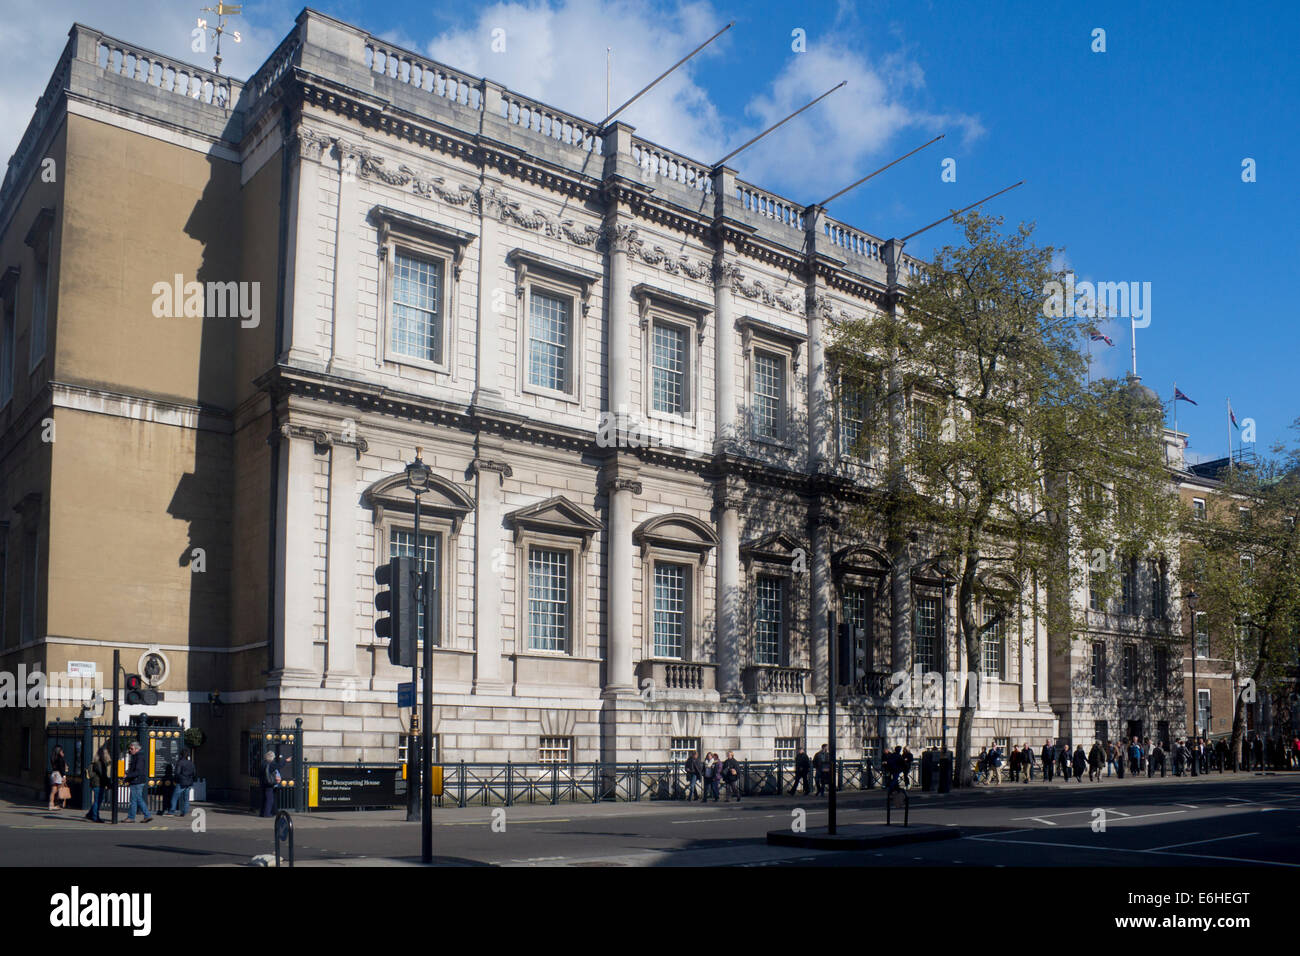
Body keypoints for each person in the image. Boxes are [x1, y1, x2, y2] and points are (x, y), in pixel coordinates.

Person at [125, 742, 153, 822]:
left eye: (132, 749)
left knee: (134, 800)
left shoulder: (139, 757)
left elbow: (138, 771)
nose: (130, 750)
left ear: (137, 749)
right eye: (129, 748)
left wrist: (128, 776)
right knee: (137, 799)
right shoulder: (136, 756)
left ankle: (132, 817)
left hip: (137, 781)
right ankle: (146, 815)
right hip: (137, 780)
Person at [165, 749, 197, 816]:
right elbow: (194, 773)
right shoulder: (191, 763)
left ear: (181, 754)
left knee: (175, 797)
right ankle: (184, 812)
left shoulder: (180, 762)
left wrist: (176, 780)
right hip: (189, 782)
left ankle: (171, 811)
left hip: (181, 782)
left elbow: (177, 773)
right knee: (186, 798)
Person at [85, 746, 111, 822]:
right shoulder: (99, 763)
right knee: (98, 801)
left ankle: (90, 814)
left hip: (96, 783)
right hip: (98, 784)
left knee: (98, 800)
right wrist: (108, 783)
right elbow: (102, 774)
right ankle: (95, 817)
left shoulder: (98, 763)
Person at [48, 745, 70, 811]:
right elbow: (61, 768)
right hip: (58, 774)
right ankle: (58, 804)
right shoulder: (60, 759)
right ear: (59, 751)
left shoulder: (53, 757)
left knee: (53, 791)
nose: (63, 752)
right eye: (62, 751)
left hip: (53, 774)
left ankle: (51, 804)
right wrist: (64, 776)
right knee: (59, 790)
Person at [260, 750, 279, 817]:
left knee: (264, 799)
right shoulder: (270, 764)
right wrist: (285, 761)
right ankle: (267, 813)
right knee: (269, 799)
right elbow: (278, 766)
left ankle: (262, 813)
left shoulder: (263, 763)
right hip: (268, 783)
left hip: (262, 783)